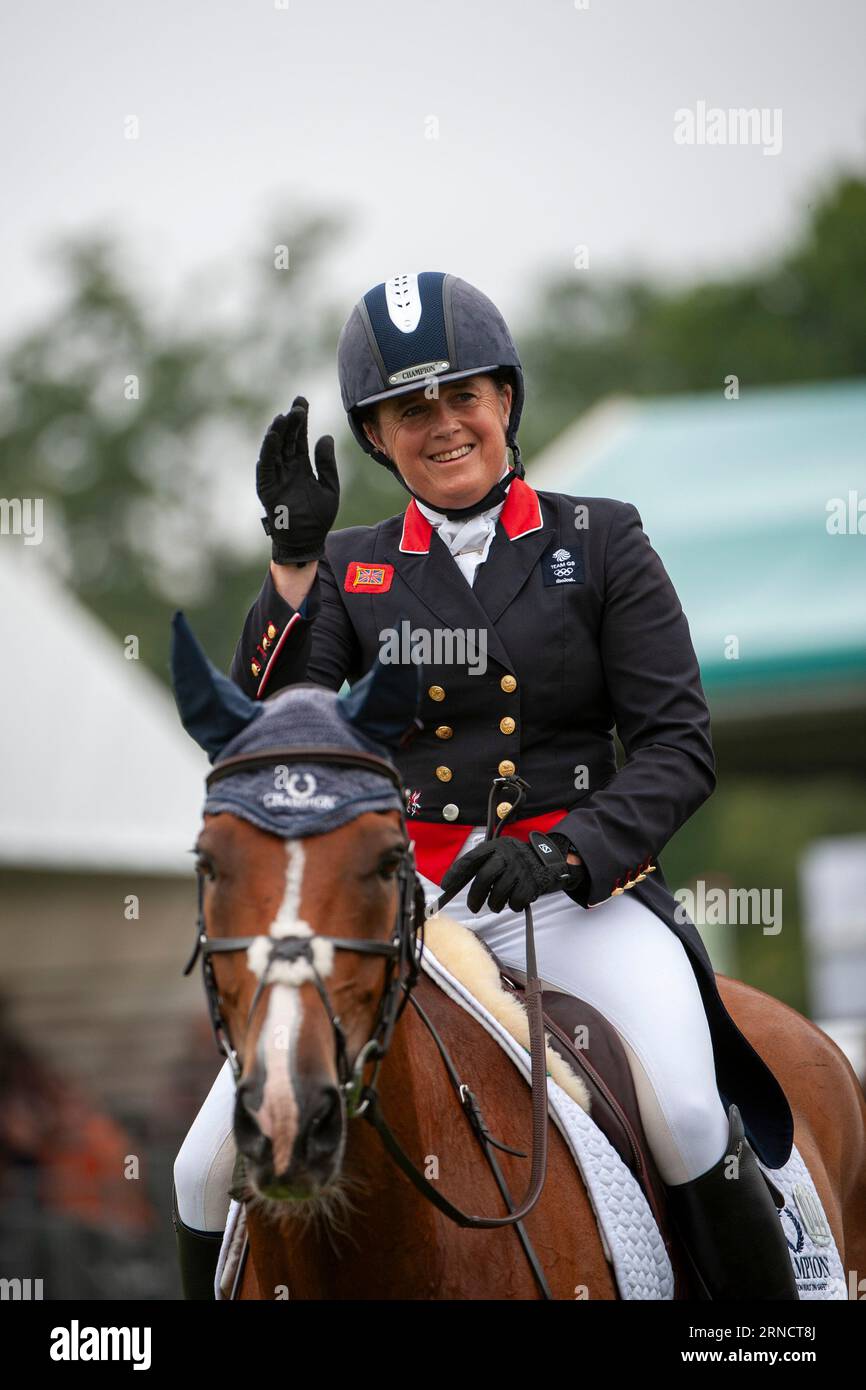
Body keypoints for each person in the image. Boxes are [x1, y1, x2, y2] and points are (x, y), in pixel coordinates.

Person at [172, 270, 798, 1301]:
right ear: (377, 437)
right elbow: (281, 739)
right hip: (405, 907)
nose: (444, 424)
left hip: (578, 899)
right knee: (201, 1169)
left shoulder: (602, 539)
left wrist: (564, 852)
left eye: (463, 395)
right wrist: (290, 565)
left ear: (505, 398)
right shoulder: (350, 571)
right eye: (410, 410)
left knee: (689, 1114)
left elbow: (677, 747)